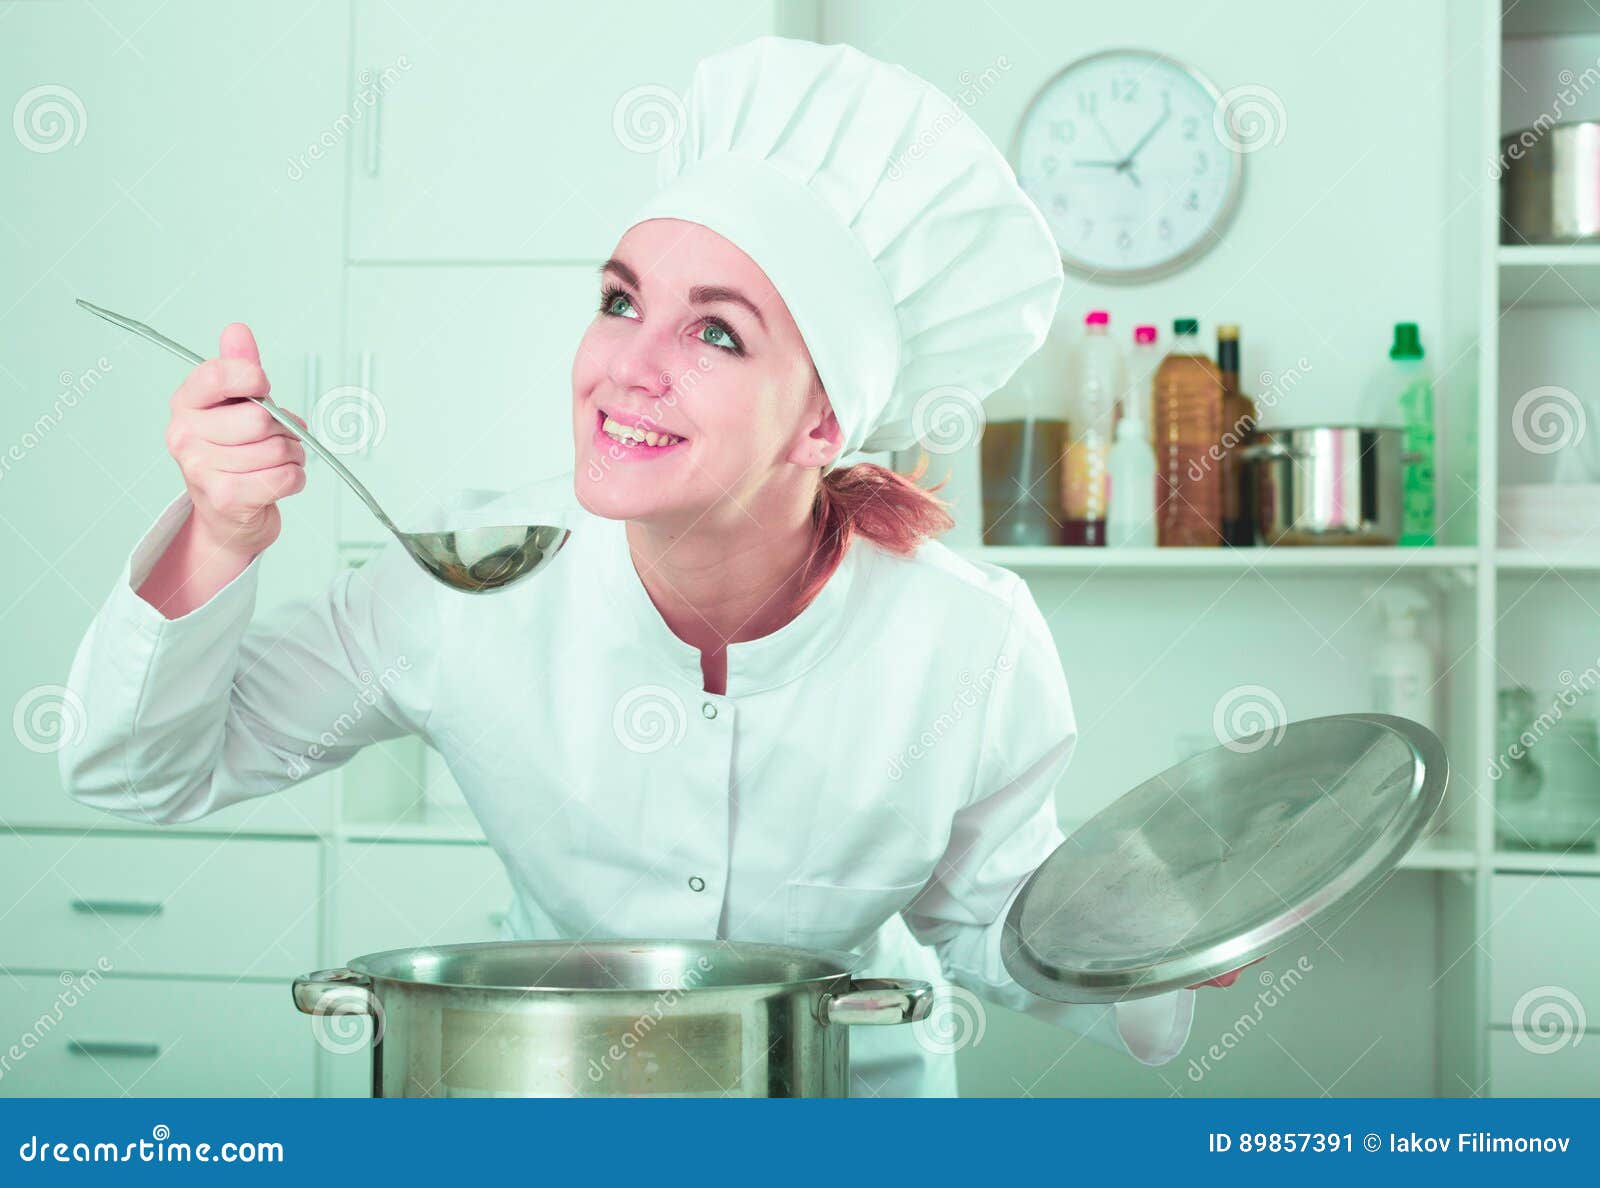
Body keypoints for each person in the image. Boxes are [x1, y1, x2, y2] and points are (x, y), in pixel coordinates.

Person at [59, 36, 1241, 1097]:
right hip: (557, 1100)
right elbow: (141, 773)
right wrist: (221, 530)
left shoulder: (962, 644)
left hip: (851, 1106)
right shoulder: (464, 588)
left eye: (714, 331)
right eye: (621, 301)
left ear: (821, 426)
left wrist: (1153, 951)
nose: (628, 365)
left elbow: (991, 919)